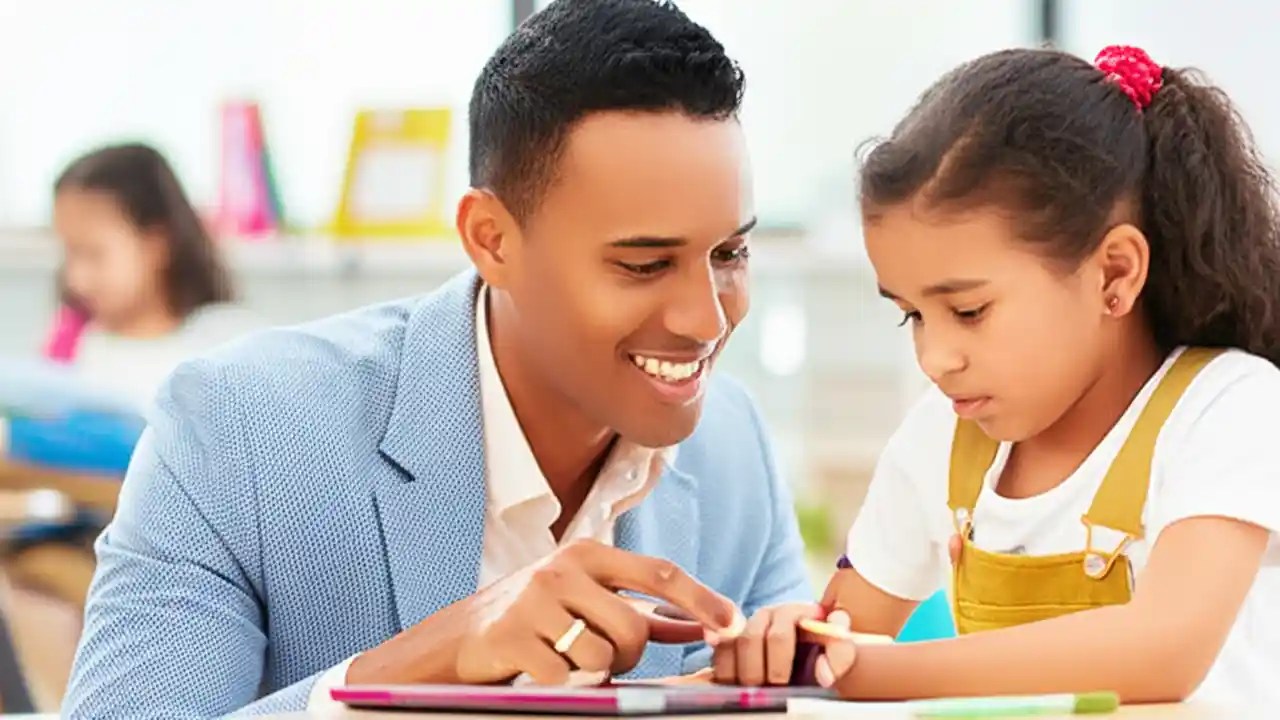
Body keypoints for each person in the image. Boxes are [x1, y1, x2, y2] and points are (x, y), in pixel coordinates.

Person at [63, 1, 811, 717]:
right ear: (492, 240)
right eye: (644, 265)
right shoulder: (239, 430)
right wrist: (411, 672)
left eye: (729, 253)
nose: (707, 319)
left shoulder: (732, 446)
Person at [714, 46, 1280, 707]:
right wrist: (795, 641)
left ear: (1115, 273)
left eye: (969, 312)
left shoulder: (1228, 408)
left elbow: (1163, 650)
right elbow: (844, 634)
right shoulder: (942, 435)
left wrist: (877, 671)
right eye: (912, 316)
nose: (935, 358)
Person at [46, 142, 257, 412]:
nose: (77, 279)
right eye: (69, 253)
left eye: (94, 254)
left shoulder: (225, 343)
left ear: (157, 243)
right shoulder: (73, 345)